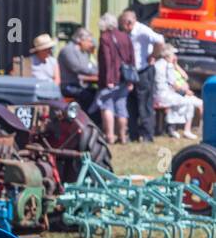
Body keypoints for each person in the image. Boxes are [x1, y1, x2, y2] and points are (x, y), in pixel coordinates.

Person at [121, 9, 165, 143]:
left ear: (129, 22)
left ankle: (147, 135)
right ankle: (133, 133)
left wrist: (153, 56)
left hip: (144, 71)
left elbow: (160, 40)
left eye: (123, 23)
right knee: (131, 103)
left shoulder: (142, 30)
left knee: (144, 103)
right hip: (131, 72)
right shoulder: (127, 33)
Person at [96, 13, 134, 146]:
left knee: (107, 106)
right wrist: (130, 80)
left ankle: (110, 136)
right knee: (122, 107)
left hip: (110, 79)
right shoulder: (125, 36)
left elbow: (107, 60)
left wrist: (108, 79)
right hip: (124, 78)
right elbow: (131, 58)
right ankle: (123, 136)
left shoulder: (105, 37)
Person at [155, 46, 202, 139]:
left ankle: (173, 129)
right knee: (191, 102)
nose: (175, 56)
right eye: (173, 54)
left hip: (158, 95)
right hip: (166, 96)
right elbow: (173, 84)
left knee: (185, 101)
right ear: (168, 55)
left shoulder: (158, 64)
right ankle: (186, 130)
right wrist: (185, 92)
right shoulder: (168, 66)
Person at [58, 27, 99, 105]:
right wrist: (98, 72)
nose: (90, 44)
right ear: (81, 40)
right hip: (68, 86)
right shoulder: (68, 50)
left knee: (96, 93)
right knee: (88, 96)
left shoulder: (84, 52)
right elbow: (77, 68)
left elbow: (89, 66)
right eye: (89, 41)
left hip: (79, 85)